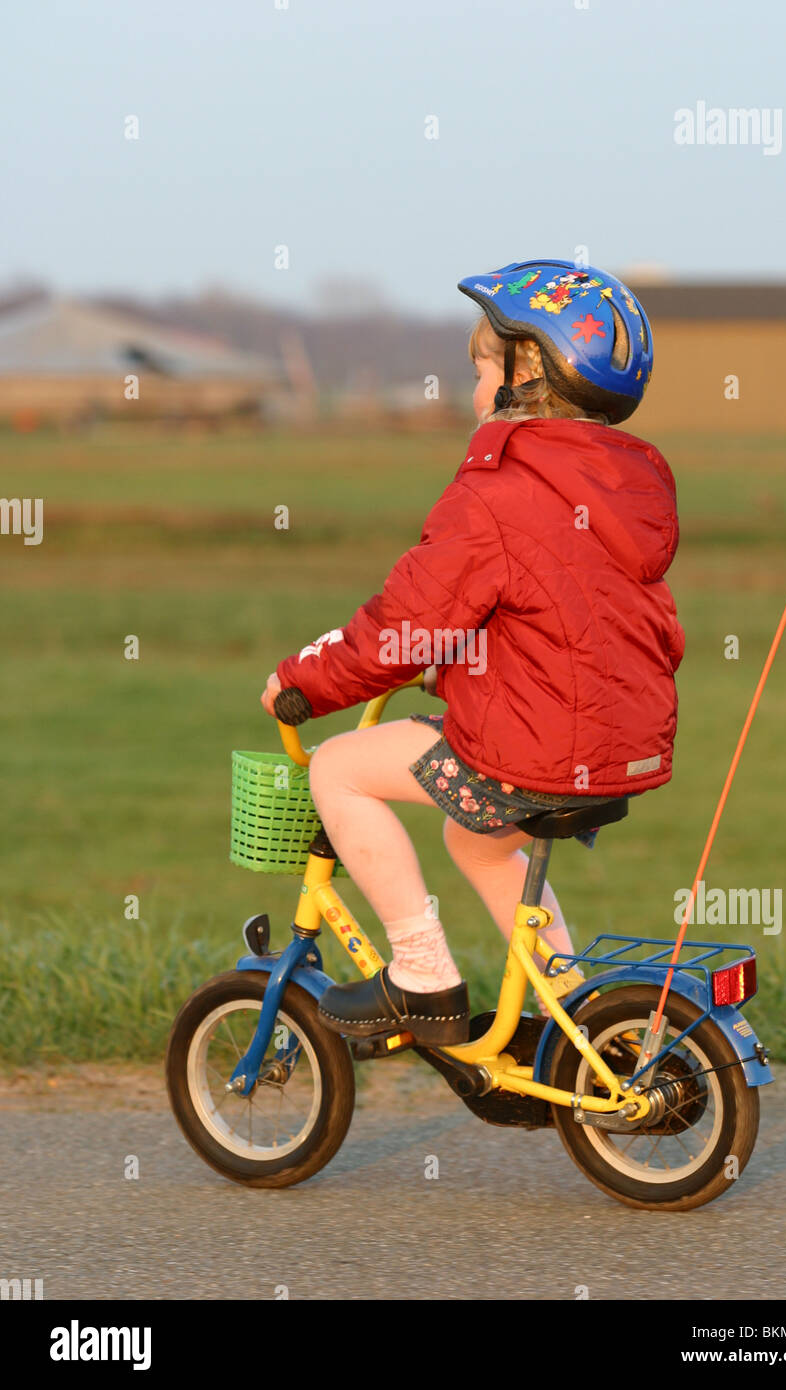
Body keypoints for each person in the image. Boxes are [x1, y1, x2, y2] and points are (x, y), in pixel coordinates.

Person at [261, 259, 685, 1046]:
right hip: (619, 748)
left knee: (338, 769)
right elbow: (557, 613)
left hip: (534, 754)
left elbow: (404, 626)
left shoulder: (496, 490)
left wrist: (303, 684)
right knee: (479, 841)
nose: (471, 387)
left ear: (526, 373)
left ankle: (422, 976)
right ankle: (580, 1013)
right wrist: (459, 661)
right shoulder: (626, 485)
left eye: (482, 366)